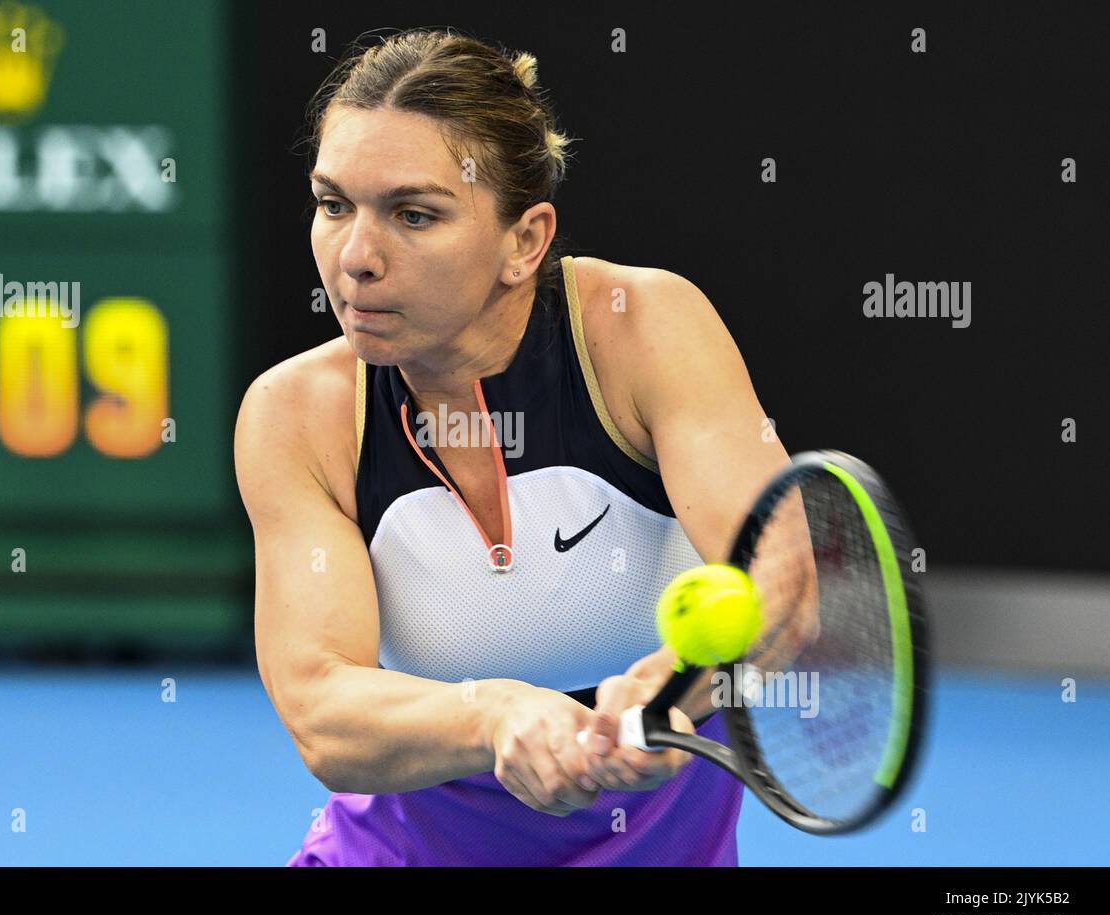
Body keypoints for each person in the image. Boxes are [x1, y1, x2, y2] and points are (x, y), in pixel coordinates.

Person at [234, 28, 795, 865]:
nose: (354, 257)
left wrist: (671, 683)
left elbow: (781, 573)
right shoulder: (296, 414)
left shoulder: (642, 331)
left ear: (525, 241)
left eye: (413, 214)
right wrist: (492, 713)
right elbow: (320, 709)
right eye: (333, 204)